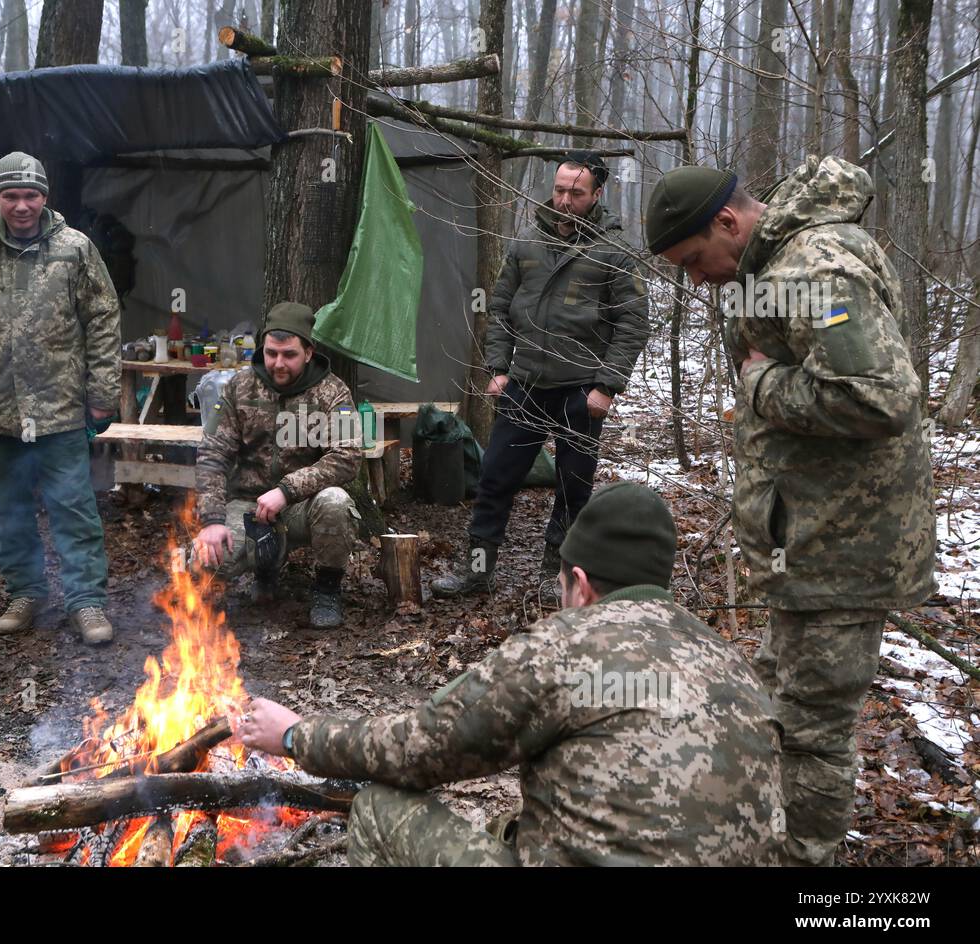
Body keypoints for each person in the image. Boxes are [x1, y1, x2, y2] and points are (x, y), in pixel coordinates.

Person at [237, 483, 785, 865]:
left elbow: (419, 749)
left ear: (581, 581)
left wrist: (294, 735)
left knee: (380, 807)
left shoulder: (564, 649)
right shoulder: (728, 659)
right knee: (511, 825)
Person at [644, 155, 936, 864]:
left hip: (843, 548)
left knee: (810, 733)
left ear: (728, 221)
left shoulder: (812, 270)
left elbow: (880, 398)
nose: (697, 278)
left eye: (694, 259)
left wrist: (763, 383)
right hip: (811, 541)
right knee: (780, 705)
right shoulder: (778, 268)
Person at [433, 150, 649, 597]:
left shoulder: (613, 250)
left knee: (573, 487)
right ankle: (477, 570)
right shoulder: (527, 241)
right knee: (494, 477)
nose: (565, 200)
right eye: (559, 190)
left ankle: (558, 572)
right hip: (526, 383)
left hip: (580, 387)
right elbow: (499, 309)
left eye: (577, 192)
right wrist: (498, 368)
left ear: (597, 194)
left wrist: (606, 386)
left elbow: (632, 324)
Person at [0, 152, 122, 645]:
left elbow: (104, 320)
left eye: (31, 194)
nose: (22, 205)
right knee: (10, 510)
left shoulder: (75, 248)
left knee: (74, 508)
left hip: (61, 409)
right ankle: (25, 592)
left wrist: (102, 393)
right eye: (11, 195)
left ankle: (86, 603)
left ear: (45, 197)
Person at [192, 303, 362, 629]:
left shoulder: (332, 392)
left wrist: (286, 491)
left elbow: (347, 457)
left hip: (302, 506)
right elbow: (212, 454)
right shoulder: (238, 387)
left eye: (289, 355)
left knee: (336, 503)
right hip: (248, 506)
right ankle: (264, 568)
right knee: (200, 567)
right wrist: (212, 519)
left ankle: (327, 589)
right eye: (271, 353)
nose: (278, 363)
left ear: (309, 352)